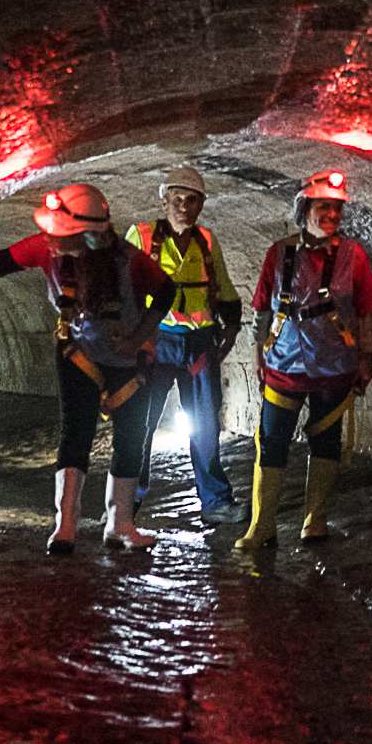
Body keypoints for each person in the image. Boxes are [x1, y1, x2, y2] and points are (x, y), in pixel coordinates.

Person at [0, 182, 173, 554]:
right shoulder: (47, 250)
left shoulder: (127, 260)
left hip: (128, 363)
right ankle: (65, 525)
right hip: (80, 356)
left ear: (91, 236)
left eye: (63, 234)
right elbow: (1, 260)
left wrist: (139, 336)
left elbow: (166, 291)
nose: (52, 239)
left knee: (131, 438)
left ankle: (121, 524)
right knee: (76, 433)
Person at [236, 168, 372, 550]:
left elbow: (368, 309)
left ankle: (314, 520)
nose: (331, 216)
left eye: (336, 209)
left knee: (326, 440)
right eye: (323, 208)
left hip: (334, 367)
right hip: (284, 365)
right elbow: (261, 310)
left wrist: (366, 358)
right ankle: (262, 525)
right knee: (271, 441)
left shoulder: (354, 256)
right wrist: (257, 356)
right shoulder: (279, 252)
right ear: (304, 210)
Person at [128, 165, 247, 526]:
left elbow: (222, 286)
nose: (183, 206)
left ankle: (215, 503)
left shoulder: (206, 241)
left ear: (200, 205)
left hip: (198, 342)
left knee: (205, 424)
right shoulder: (142, 236)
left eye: (191, 200)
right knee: (141, 423)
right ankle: (126, 503)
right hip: (156, 340)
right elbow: (126, 288)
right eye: (177, 199)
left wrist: (232, 323)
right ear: (164, 201)